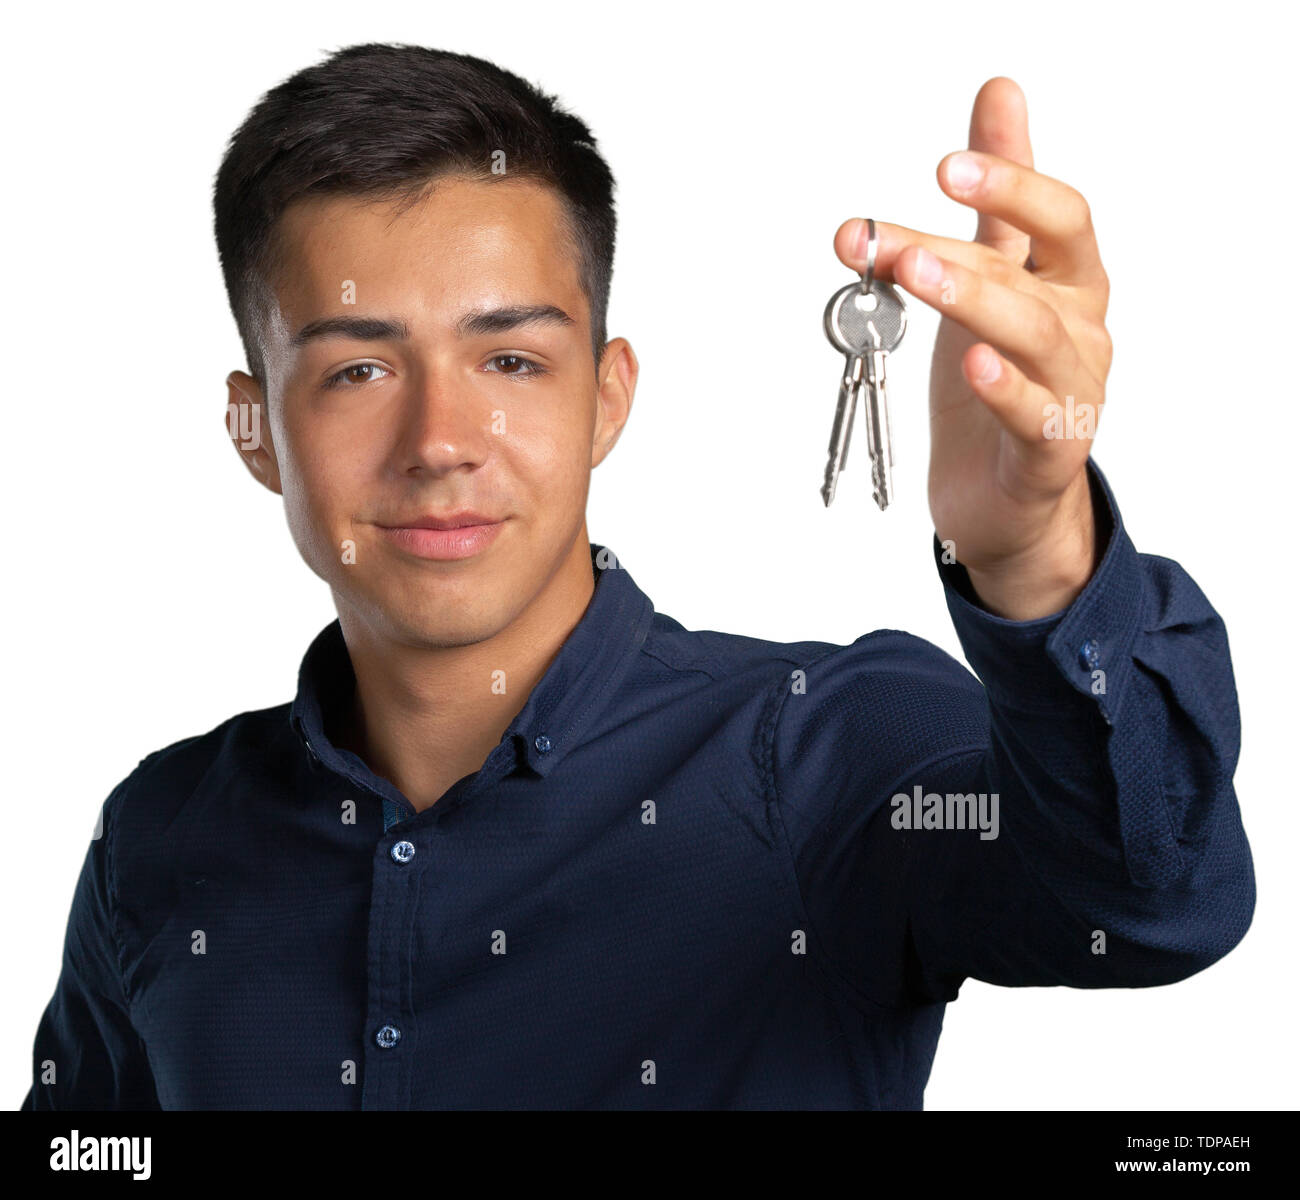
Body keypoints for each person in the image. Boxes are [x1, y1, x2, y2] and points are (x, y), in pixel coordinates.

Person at [22, 43, 1253, 1111]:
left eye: (509, 361)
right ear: (254, 430)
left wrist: (1034, 558)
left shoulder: (827, 758)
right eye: (356, 370)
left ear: (607, 396)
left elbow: (1150, 899)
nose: (440, 439)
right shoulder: (161, 839)